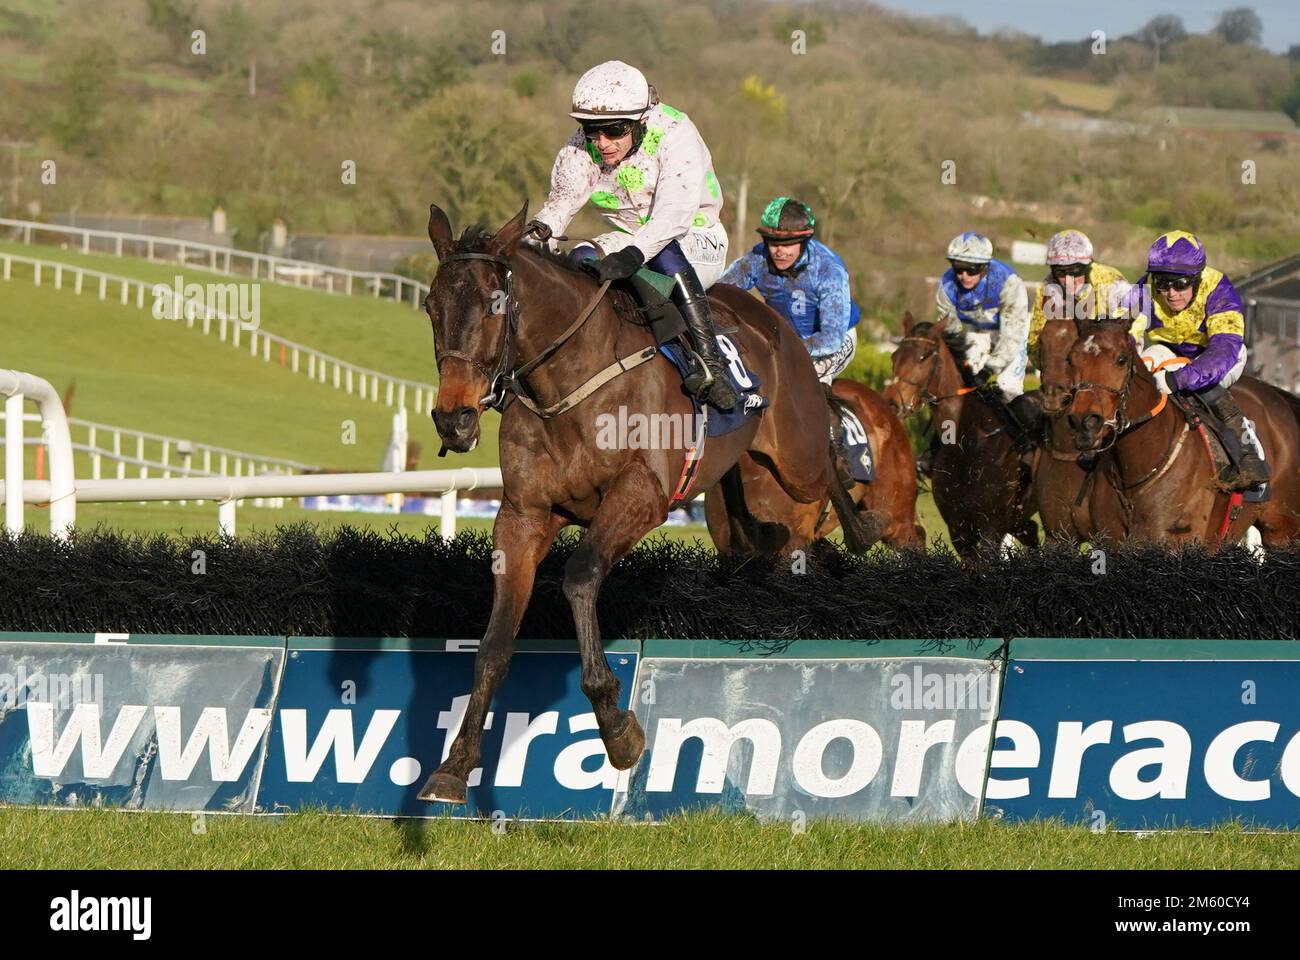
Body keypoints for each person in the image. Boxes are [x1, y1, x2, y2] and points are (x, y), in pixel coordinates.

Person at [522, 60, 737, 410]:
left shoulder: (675, 132)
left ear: (641, 121)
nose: (602, 143)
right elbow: (560, 207)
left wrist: (634, 255)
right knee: (580, 260)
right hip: (629, 238)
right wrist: (529, 244)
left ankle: (711, 366)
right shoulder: (582, 147)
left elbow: (673, 217)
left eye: (614, 131)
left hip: (696, 237)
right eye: (592, 131)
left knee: (664, 251)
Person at [1127, 230, 1269, 490]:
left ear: (1196, 278)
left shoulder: (1218, 289)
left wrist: (1178, 379)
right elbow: (1126, 334)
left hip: (1221, 354)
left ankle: (1249, 457)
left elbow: (1222, 351)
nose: (1170, 293)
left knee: (1204, 387)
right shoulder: (1143, 289)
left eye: (1180, 284)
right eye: (1162, 282)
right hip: (1170, 350)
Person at [719, 197, 861, 385]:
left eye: (787, 244)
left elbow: (831, 339)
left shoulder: (828, 269)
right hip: (785, 341)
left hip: (835, 340)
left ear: (803, 242)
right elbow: (721, 292)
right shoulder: (757, 259)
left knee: (803, 381)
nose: (779, 251)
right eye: (773, 243)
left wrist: (784, 349)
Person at [1027, 229, 1137, 371]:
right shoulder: (1048, 287)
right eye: (1060, 273)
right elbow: (1034, 341)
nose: (1068, 281)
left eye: (1075, 273)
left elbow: (1134, 324)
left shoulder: (1111, 282)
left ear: (1088, 267)